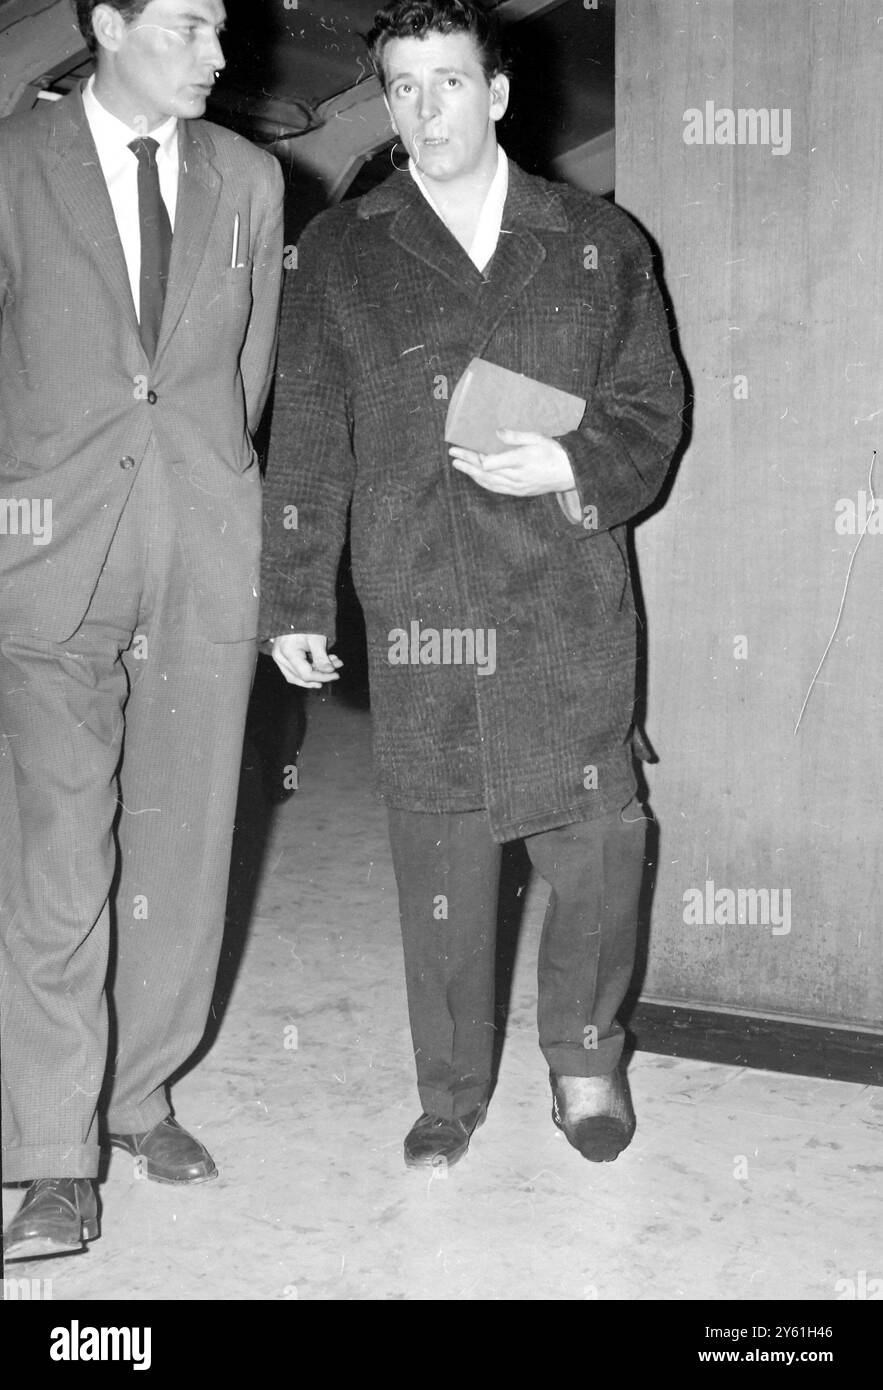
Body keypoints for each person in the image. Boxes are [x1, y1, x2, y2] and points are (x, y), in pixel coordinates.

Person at [261, 0, 684, 1171]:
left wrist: (568, 460)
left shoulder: (597, 240)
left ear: (496, 93)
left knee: (598, 841)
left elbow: (651, 413)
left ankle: (587, 1059)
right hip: (423, 606)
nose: (423, 108)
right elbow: (306, 435)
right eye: (400, 86)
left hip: (564, 593)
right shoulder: (344, 249)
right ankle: (447, 1088)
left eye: (447, 81)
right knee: (439, 855)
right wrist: (295, 599)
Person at [0, 0, 283, 1259]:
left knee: (181, 847)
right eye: (188, 26)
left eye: (221, 27)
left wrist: (213, 506)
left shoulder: (254, 177)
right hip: (49, 556)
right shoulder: (12, 162)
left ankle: (138, 1097)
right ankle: (53, 1156)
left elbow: (245, 375)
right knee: (59, 858)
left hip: (199, 554)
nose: (218, 56)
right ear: (107, 23)